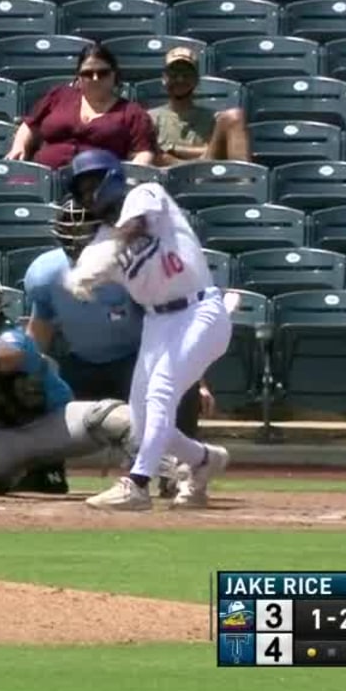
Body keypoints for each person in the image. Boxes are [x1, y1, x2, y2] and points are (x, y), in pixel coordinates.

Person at [65, 148, 232, 511]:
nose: (90, 194)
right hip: (158, 322)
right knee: (141, 422)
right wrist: (83, 274)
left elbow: (134, 227)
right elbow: (97, 258)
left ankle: (137, 485)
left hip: (199, 310)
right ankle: (203, 460)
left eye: (94, 183)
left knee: (162, 392)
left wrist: (104, 255)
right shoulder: (101, 241)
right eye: (83, 189)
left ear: (111, 178)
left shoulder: (145, 194)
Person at [23, 192, 219, 497]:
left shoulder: (132, 265)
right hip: (81, 362)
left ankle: (180, 471)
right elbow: (40, 329)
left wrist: (200, 380)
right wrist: (29, 373)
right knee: (31, 385)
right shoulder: (44, 273)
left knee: (176, 389)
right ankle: (43, 471)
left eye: (85, 235)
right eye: (70, 236)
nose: (78, 244)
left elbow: (171, 320)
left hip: (135, 357)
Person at [0, 270, 138, 497]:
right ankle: (10, 473)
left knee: (116, 417)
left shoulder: (10, 334)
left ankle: (160, 470)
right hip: (3, 436)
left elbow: (12, 355)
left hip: (55, 425)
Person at [5, 42, 160, 169]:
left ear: (115, 75)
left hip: (98, 186)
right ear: (78, 77)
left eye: (103, 73)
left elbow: (144, 152)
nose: (95, 78)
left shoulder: (132, 112)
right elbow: (30, 124)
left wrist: (128, 180)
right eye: (87, 73)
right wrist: (19, 146)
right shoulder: (59, 95)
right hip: (44, 177)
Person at [148, 47, 252, 166]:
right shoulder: (150, 118)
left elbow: (217, 153)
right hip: (166, 180)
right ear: (164, 78)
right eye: (174, 74)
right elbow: (152, 156)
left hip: (206, 176)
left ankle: (245, 181)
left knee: (235, 116)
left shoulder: (214, 119)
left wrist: (173, 149)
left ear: (196, 79)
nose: (180, 79)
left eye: (186, 74)